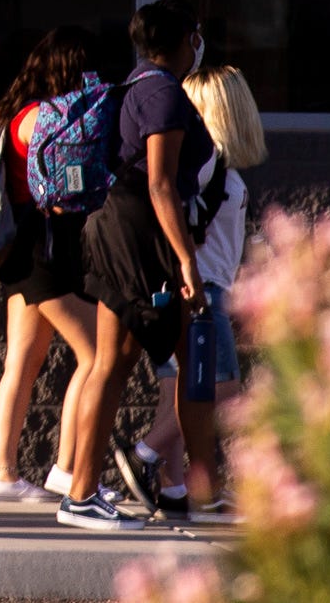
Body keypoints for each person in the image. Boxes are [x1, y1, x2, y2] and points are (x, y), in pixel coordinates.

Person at [60, 0, 215, 533]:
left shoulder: (138, 85)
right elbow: (160, 183)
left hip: (124, 229)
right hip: (137, 238)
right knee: (121, 363)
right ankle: (82, 494)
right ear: (184, 40)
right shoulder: (163, 94)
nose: (199, 45)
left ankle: (200, 491)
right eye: (196, 35)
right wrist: (187, 261)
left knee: (169, 358)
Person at [0, 27, 106, 504]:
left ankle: (2, 474)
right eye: (85, 69)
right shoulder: (44, 118)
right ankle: (67, 469)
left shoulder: (19, 113)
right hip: (42, 255)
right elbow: (67, 187)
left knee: (22, 363)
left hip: (26, 254)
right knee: (97, 354)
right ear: (68, 70)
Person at [133, 62, 264, 519]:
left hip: (193, 285)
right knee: (220, 389)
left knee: (178, 391)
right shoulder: (207, 165)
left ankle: (180, 490)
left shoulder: (210, 165)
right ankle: (146, 453)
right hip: (200, 288)